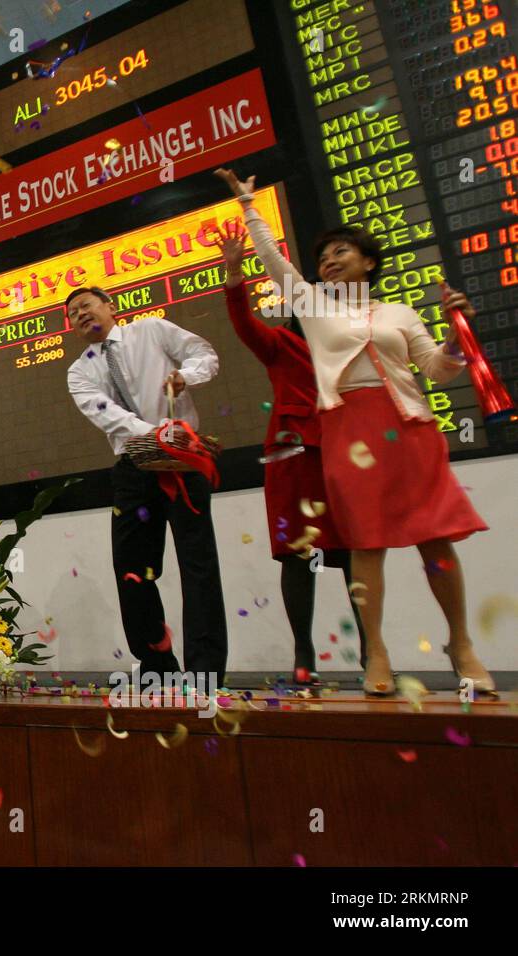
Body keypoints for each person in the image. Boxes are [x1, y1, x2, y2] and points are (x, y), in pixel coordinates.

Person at [217, 167, 494, 695]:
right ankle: (379, 653)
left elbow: (435, 369)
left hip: (409, 427)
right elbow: (276, 265)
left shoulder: (400, 313)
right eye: (323, 257)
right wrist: (250, 207)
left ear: (368, 262)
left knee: (435, 539)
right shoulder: (313, 306)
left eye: (340, 252)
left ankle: (461, 645)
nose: (328, 260)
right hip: (349, 431)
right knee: (365, 543)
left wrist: (458, 337)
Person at [213, 219, 367, 684]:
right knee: (298, 556)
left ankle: (373, 652)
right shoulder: (283, 343)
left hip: (344, 450)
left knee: (357, 554)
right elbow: (243, 324)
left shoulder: (353, 338)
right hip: (293, 455)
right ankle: (303, 654)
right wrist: (235, 277)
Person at [65, 286, 228, 686]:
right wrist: (158, 435)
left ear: (109, 306)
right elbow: (108, 414)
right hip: (133, 469)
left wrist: (186, 377)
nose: (81, 315)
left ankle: (207, 671)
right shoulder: (80, 371)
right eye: (73, 314)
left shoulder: (151, 331)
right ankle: (158, 666)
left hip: (184, 463)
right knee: (133, 571)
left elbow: (205, 355)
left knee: (198, 565)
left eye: (86, 305)